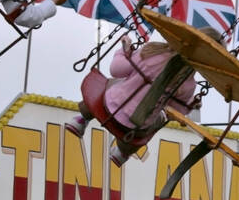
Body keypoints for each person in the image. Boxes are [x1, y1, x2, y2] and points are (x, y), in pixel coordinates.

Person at [67, 27, 221, 166]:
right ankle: (122, 153)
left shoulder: (151, 51)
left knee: (115, 83)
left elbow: (116, 69)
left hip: (107, 106)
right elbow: (176, 111)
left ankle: (81, 119)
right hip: (134, 130)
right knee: (159, 117)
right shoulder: (189, 85)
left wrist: (123, 52)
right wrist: (191, 104)